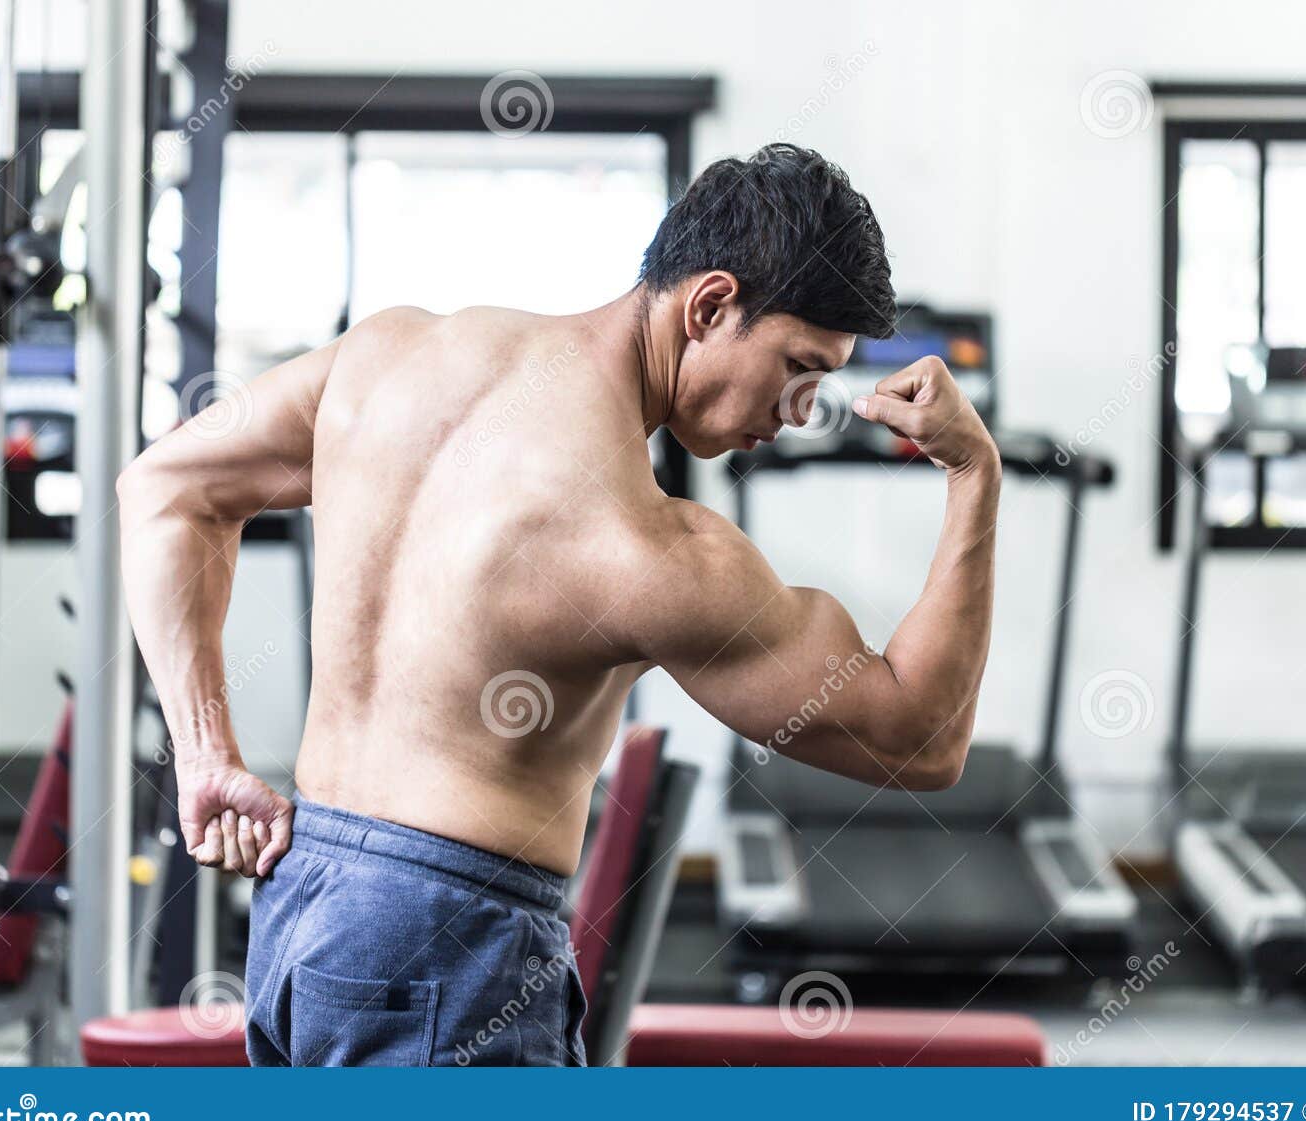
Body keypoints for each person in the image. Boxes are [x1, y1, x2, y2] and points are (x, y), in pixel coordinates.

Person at [118, 143, 1000, 1066]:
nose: (798, 408)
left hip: (301, 909)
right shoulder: (646, 546)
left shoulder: (392, 352)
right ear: (708, 305)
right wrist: (973, 473)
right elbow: (919, 738)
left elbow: (166, 488)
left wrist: (206, 754)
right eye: (798, 365)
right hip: (447, 950)